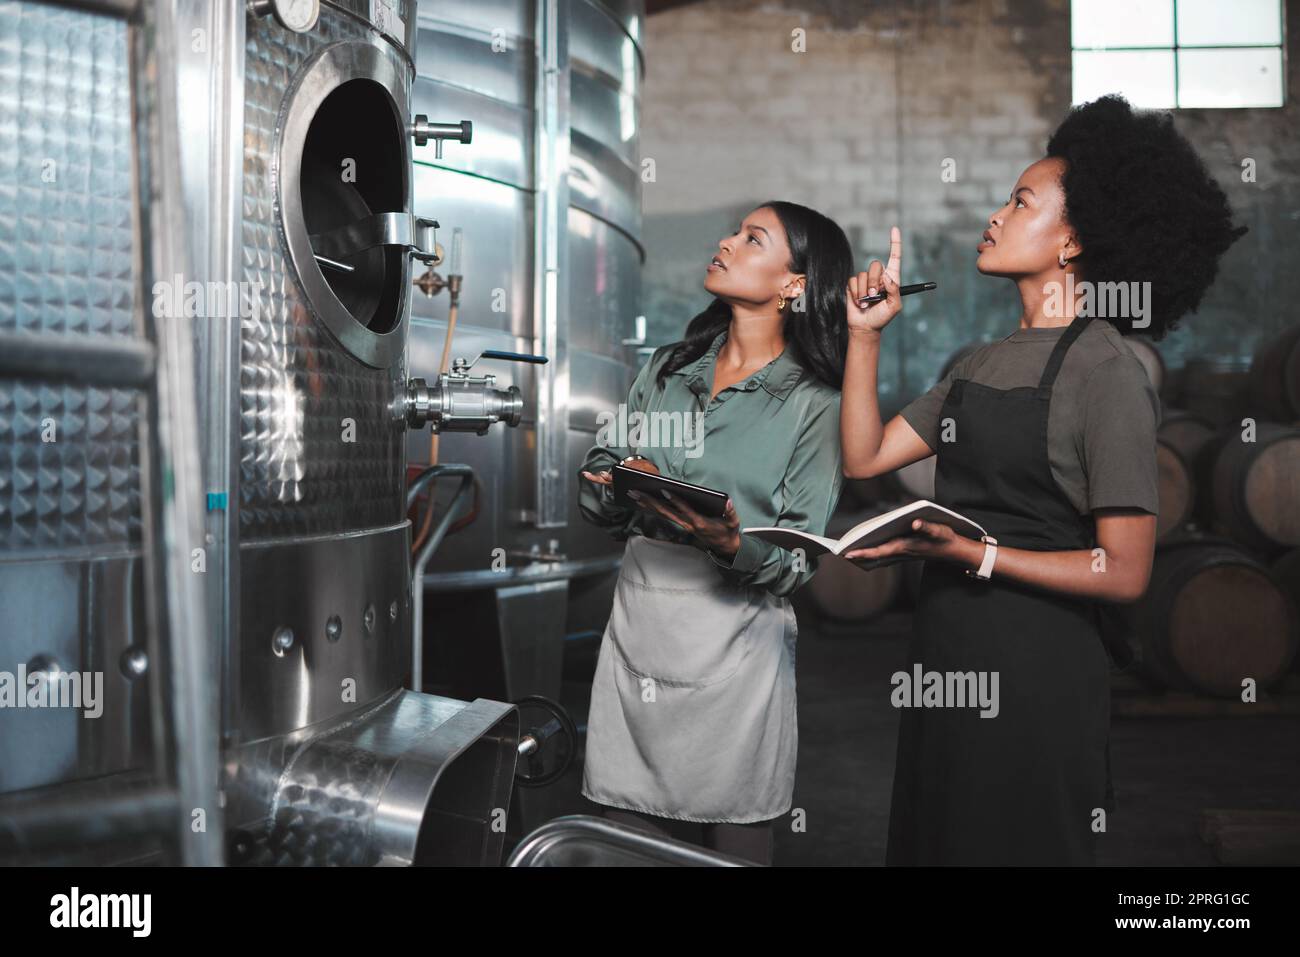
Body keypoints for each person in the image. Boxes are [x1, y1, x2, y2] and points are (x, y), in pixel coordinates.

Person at [838, 95, 1246, 865]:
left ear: (1073, 240)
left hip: (1037, 669)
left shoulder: (1108, 374)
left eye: (1020, 200)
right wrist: (864, 339)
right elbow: (863, 457)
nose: (995, 215)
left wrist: (976, 555)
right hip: (947, 652)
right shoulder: (975, 363)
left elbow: (1124, 572)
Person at [576, 200, 853, 865]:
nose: (726, 243)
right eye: (733, 232)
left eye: (752, 238)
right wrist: (619, 482)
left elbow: (798, 555)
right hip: (641, 619)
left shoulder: (815, 403)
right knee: (620, 826)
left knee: (735, 824)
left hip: (736, 645)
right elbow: (597, 477)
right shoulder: (668, 369)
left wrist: (730, 543)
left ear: (794, 285)